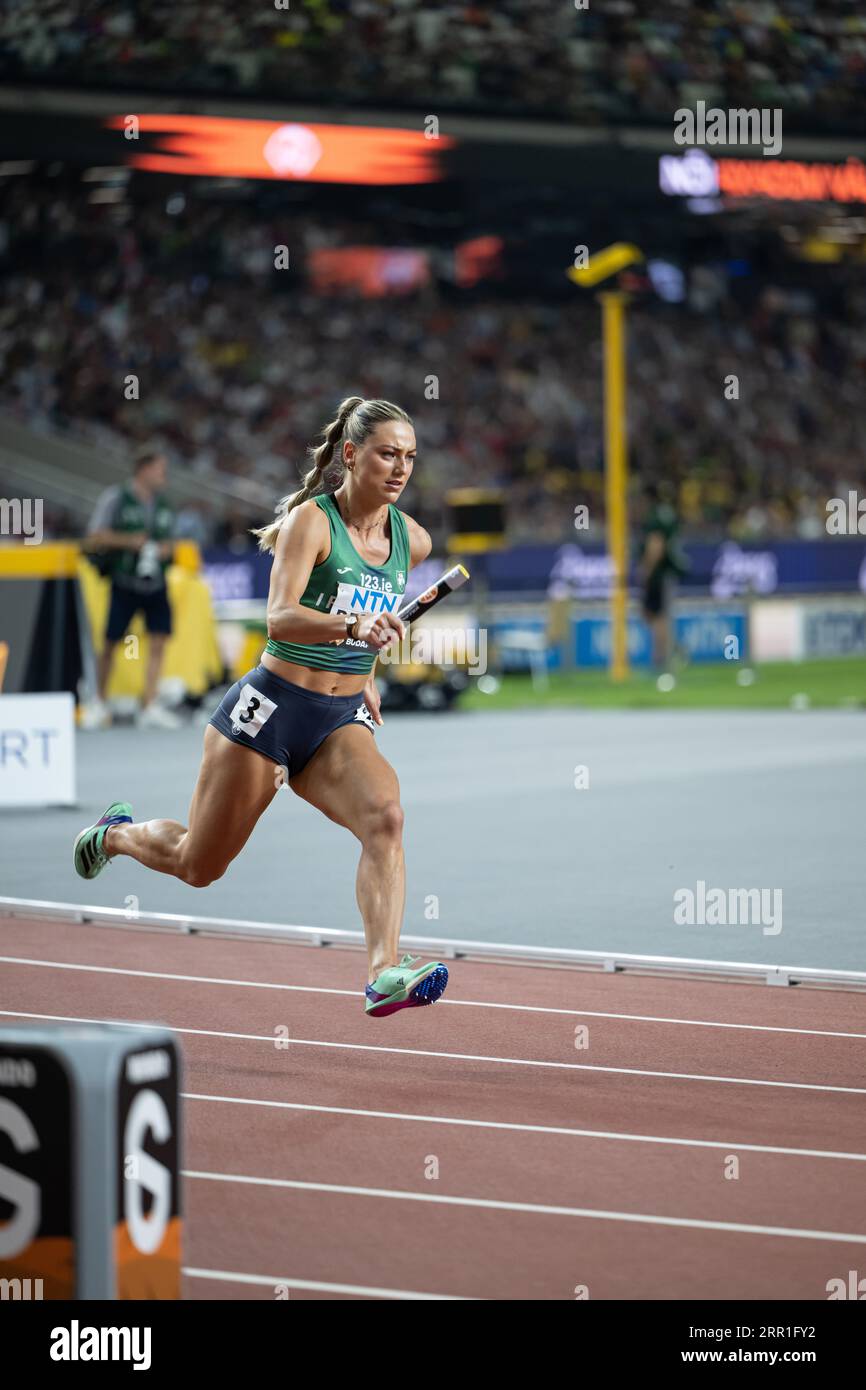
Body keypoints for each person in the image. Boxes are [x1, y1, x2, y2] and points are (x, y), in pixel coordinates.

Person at [73, 397, 449, 1018]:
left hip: (339, 720)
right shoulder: (312, 522)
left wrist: (370, 665)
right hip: (269, 711)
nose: (401, 467)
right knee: (198, 864)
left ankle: (383, 971)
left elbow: (378, 611)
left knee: (387, 818)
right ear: (351, 455)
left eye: (410, 456)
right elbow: (280, 618)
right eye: (387, 453)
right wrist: (355, 629)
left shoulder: (413, 538)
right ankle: (115, 835)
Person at [81, 446, 179, 730]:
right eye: (161, 469)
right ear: (144, 469)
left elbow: (171, 541)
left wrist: (163, 549)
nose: (165, 476)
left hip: (156, 582)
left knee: (159, 640)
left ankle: (149, 704)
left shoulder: (164, 504)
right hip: (124, 581)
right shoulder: (115, 498)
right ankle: (98, 700)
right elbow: (95, 535)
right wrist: (130, 542)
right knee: (111, 642)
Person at [638, 482, 688, 679]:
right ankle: (674, 648)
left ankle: (661, 660)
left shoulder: (655, 517)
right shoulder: (666, 513)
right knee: (651, 614)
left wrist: (646, 569)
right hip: (667, 572)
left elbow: (655, 544)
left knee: (658, 617)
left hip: (660, 573)